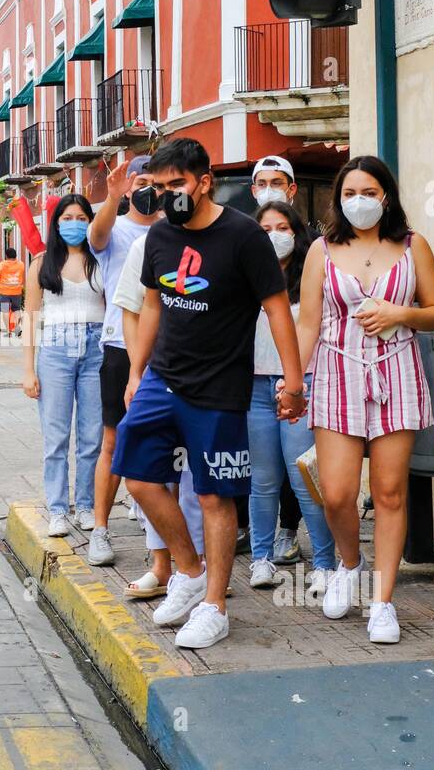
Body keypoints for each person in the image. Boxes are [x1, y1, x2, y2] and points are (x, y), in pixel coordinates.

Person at [113, 138, 306, 651]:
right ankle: (190, 571)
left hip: (219, 390)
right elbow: (152, 304)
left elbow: (278, 308)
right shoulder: (159, 237)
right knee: (138, 479)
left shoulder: (244, 237)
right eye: (157, 187)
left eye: (176, 184)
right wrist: (136, 371)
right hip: (161, 379)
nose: (167, 195)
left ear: (204, 181)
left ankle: (214, 607)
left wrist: (293, 379)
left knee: (213, 496)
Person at [296, 156, 434, 644]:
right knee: (337, 492)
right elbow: (307, 323)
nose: (358, 201)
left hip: (396, 371)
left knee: (389, 493)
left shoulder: (412, 245)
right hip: (337, 372)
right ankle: (349, 564)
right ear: (339, 199)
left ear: (386, 195)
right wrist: (293, 379)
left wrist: (398, 312)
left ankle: (383, 601)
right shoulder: (321, 250)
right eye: (349, 193)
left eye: (368, 192)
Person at [247, 202, 335, 593]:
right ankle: (261, 560)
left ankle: (325, 564)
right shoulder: (242, 278)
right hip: (255, 388)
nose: (275, 235)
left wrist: (294, 384)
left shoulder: (311, 278)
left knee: (305, 478)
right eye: (265, 228)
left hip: (304, 385)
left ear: (297, 235)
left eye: (283, 227)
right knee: (263, 480)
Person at [114, 229, 205, 604]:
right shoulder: (147, 245)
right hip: (157, 377)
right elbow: (133, 311)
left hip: (205, 379)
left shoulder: (220, 240)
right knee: (151, 473)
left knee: (195, 480)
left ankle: (200, 567)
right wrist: (137, 372)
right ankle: (161, 565)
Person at [86, 155, 163, 567]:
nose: (149, 189)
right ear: (130, 186)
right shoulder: (116, 232)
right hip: (119, 346)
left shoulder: (173, 229)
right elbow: (95, 236)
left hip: (167, 350)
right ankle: (100, 528)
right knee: (112, 441)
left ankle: (167, 540)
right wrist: (111, 197)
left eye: (157, 181)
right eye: (142, 181)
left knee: (168, 443)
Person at [22, 194, 105, 536]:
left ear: (91, 221)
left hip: (97, 349)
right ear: (57, 223)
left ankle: (85, 506)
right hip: (55, 350)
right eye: (67, 218)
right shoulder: (42, 262)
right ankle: (57, 509)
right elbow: (30, 316)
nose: (75, 224)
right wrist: (28, 370)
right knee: (55, 437)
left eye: (81, 217)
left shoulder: (102, 259)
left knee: (92, 437)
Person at [0, 246, 25, 334]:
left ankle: (8, 331)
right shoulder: (21, 264)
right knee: (17, 309)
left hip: (4, 292)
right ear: (15, 255)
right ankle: (17, 327)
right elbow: (21, 275)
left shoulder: (2, 265)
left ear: (6, 256)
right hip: (17, 292)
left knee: (5, 310)